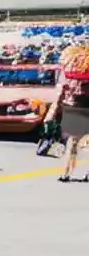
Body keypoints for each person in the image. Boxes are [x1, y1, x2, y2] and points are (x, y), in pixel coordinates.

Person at [52, 44, 89, 182]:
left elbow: (61, 92)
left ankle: (65, 172)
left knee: (72, 142)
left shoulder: (69, 71)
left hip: (75, 108)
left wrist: (53, 112)